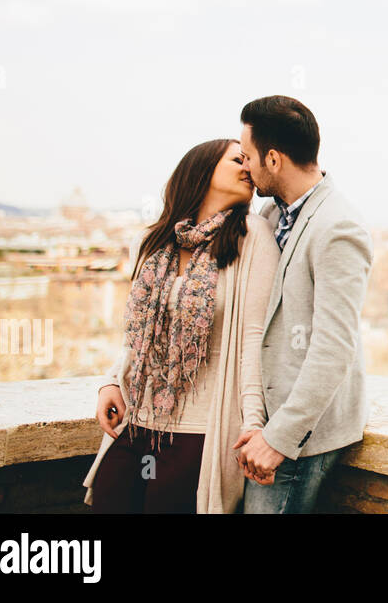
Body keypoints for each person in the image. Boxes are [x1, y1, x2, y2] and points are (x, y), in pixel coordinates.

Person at [83, 138, 281, 513]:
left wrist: (254, 423)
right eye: (238, 159)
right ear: (201, 170)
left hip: (199, 431)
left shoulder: (251, 237)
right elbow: (141, 334)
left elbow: (254, 339)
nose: (248, 169)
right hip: (137, 420)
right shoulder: (150, 242)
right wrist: (111, 379)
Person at [233, 95, 373, 513]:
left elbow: (333, 347)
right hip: (267, 424)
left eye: (248, 156)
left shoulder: (338, 227)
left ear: (273, 159)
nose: (244, 167)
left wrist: (279, 437)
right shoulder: (273, 215)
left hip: (300, 438)